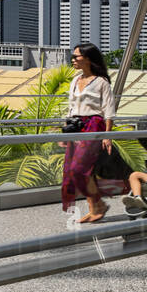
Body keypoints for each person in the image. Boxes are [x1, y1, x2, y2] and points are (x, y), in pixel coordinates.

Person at [62, 43, 125, 223]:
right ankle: (95, 207)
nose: (73, 59)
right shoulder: (75, 80)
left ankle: (98, 205)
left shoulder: (101, 82)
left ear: (88, 58)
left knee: (79, 169)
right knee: (78, 171)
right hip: (76, 126)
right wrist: (65, 132)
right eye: (72, 56)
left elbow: (109, 110)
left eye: (76, 56)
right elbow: (71, 108)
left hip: (93, 127)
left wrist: (108, 135)